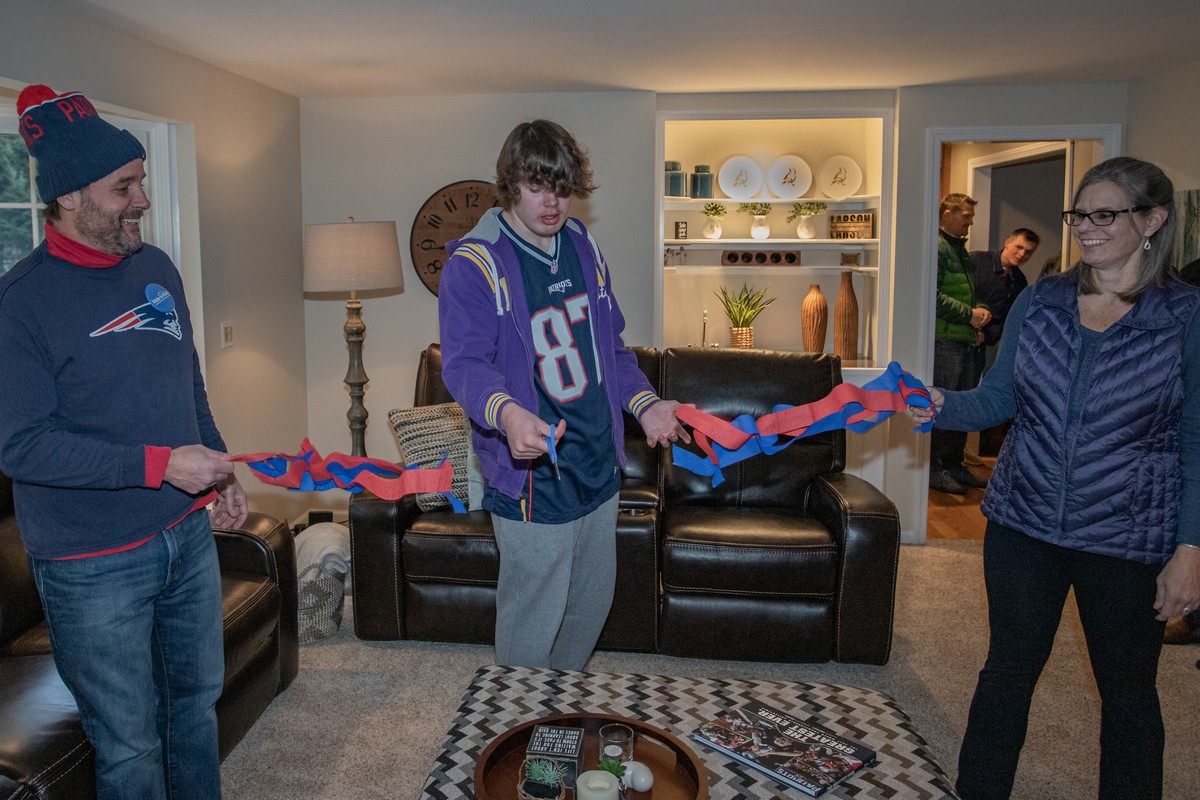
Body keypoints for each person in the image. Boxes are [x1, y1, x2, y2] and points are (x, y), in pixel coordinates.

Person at [910, 157, 1200, 799]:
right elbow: (996, 401)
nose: (1087, 228)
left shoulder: (1186, 317)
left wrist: (1191, 550)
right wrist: (938, 404)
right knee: (1006, 674)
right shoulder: (1041, 301)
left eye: (1106, 214)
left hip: (1128, 540)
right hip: (1022, 524)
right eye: (1080, 214)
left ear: (1152, 220)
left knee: (1128, 696)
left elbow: (1196, 443)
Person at [0, 84, 247, 800]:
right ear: (71, 197)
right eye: (125, 187)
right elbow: (21, 447)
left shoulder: (157, 269)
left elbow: (186, 386)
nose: (142, 199)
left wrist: (220, 469)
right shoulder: (22, 304)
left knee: (195, 709)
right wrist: (162, 465)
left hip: (184, 536)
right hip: (91, 564)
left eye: (140, 180)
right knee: (131, 743)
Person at [436, 119, 688, 671]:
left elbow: (610, 349)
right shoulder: (475, 265)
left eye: (562, 188)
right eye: (536, 186)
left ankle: (559, 715)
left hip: (597, 463)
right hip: (532, 477)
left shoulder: (581, 245)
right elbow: (464, 366)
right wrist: (508, 415)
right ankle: (519, 729)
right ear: (510, 184)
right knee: (532, 622)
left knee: (588, 608)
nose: (552, 203)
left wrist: (646, 404)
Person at [930, 193, 991, 494]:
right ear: (946, 215)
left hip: (963, 338)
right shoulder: (937, 247)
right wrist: (969, 316)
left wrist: (979, 313)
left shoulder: (959, 249)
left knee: (962, 406)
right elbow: (932, 295)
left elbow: (966, 291)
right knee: (943, 405)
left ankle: (954, 464)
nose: (970, 221)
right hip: (945, 340)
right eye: (965, 215)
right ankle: (936, 469)